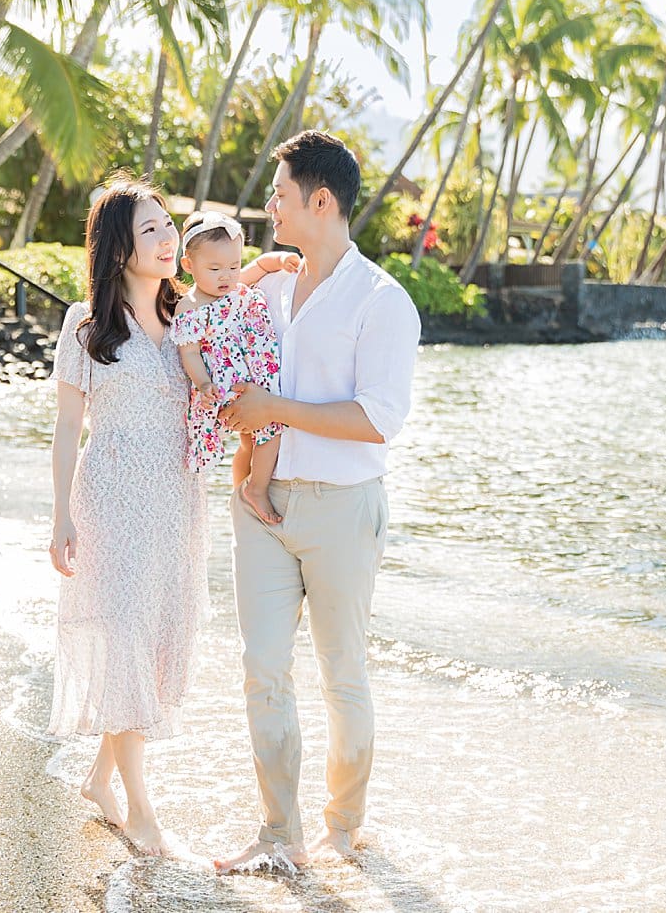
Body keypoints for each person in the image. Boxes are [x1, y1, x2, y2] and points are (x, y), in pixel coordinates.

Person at [212, 131, 422, 871]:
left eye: (280, 194)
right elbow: (202, 311)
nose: (270, 207)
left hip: (342, 507)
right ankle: (280, 835)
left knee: (343, 674)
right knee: (263, 667)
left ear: (321, 201)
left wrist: (278, 404)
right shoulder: (263, 287)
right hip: (259, 505)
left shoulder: (383, 301)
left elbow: (378, 419)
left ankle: (342, 828)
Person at [45, 176, 207, 857]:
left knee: (158, 644)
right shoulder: (85, 326)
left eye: (169, 226)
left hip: (177, 503)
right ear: (117, 249)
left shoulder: (193, 320)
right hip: (111, 500)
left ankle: (100, 782)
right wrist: (60, 517)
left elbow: (243, 292)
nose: (169, 239)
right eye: (151, 230)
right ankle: (142, 812)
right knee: (126, 641)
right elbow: (65, 428)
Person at [171, 211, 299, 524]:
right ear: (189, 265)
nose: (226, 276)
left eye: (233, 266)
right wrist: (203, 385)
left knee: (260, 436)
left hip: (255, 375)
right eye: (214, 269)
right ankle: (253, 488)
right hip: (224, 385)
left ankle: (247, 489)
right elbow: (190, 354)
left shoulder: (235, 287)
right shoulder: (190, 306)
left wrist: (282, 260)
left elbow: (262, 265)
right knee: (260, 432)